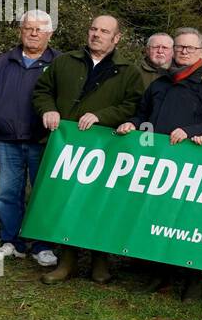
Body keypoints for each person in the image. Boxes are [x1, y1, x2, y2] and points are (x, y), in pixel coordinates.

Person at [116, 27, 202, 302]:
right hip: (158, 164)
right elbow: (144, 114)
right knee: (156, 217)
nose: (184, 52)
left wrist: (191, 131)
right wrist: (133, 122)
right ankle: (159, 275)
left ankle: (193, 281)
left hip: (193, 166)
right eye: (180, 47)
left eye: (190, 48)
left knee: (189, 223)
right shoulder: (160, 83)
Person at [33, 15, 144, 286]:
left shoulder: (128, 71)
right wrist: (48, 109)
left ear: (116, 38)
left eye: (104, 31)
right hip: (65, 148)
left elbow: (134, 106)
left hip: (105, 149)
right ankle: (67, 261)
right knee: (65, 202)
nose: (96, 34)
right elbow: (41, 91)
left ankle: (100, 262)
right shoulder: (64, 62)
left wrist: (102, 115)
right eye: (93, 29)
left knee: (98, 205)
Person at [0, 9, 61, 267]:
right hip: (7, 140)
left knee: (44, 193)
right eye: (28, 28)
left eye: (40, 29)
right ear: (20, 31)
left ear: (50, 34)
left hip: (45, 142)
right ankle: (12, 242)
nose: (34, 33)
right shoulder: (0, 63)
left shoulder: (60, 63)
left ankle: (43, 246)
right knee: (7, 194)